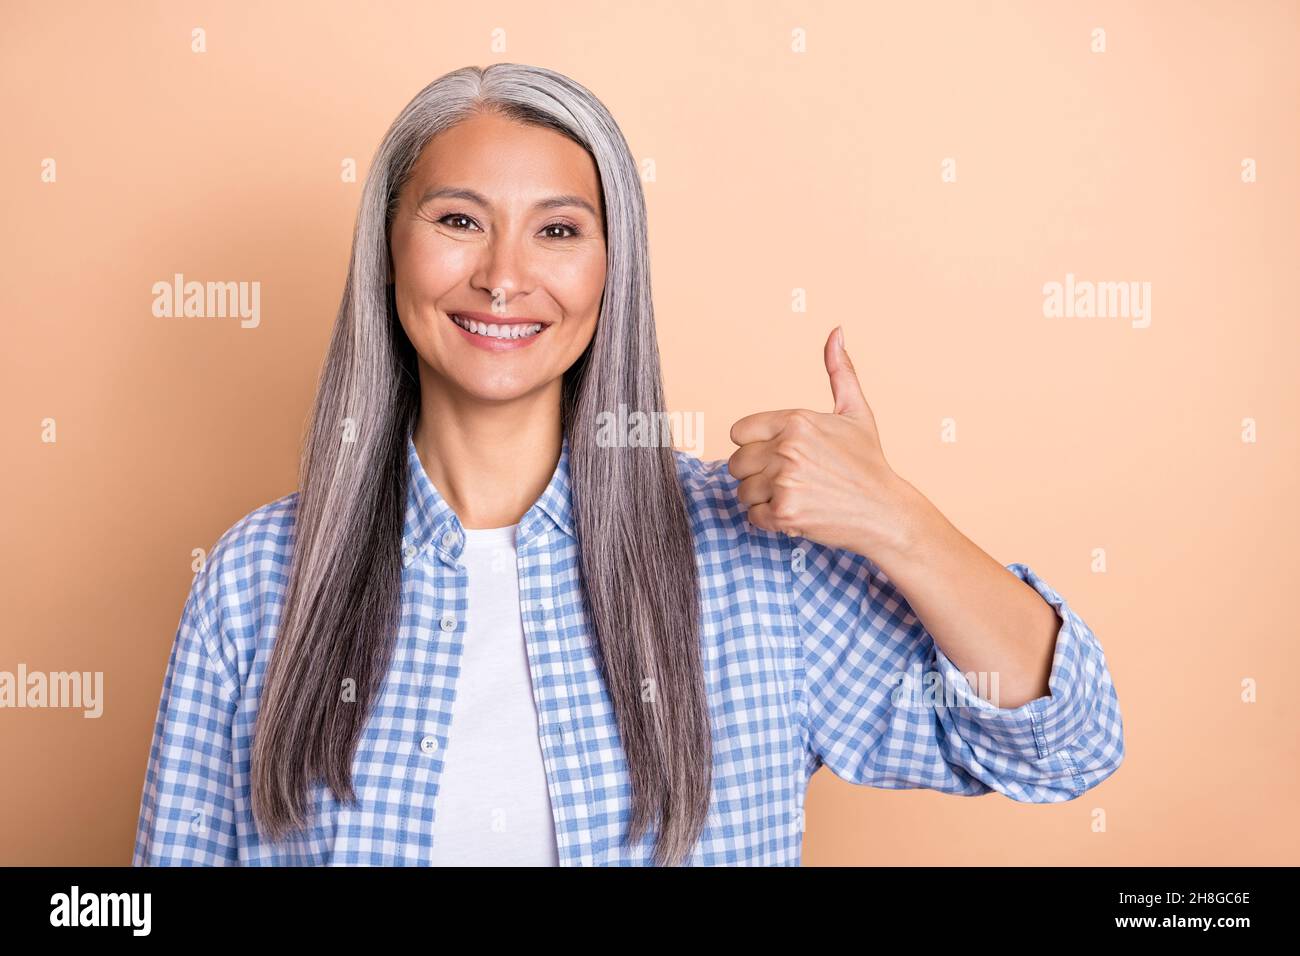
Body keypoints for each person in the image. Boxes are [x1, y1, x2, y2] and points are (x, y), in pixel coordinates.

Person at [133, 63, 1124, 867]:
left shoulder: (752, 565)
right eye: (457, 220)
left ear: (613, 269)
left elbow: (1063, 742)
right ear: (388, 251)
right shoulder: (257, 579)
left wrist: (898, 523)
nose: (504, 275)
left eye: (558, 229)